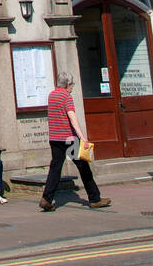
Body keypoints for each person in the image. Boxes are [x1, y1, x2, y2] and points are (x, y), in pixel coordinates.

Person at [40, 71, 111, 211]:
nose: (72, 87)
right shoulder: (66, 96)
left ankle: (46, 198)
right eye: (72, 84)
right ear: (67, 84)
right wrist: (83, 137)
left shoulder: (52, 95)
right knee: (83, 168)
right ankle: (94, 198)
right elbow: (72, 118)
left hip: (54, 138)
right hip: (69, 138)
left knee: (55, 168)